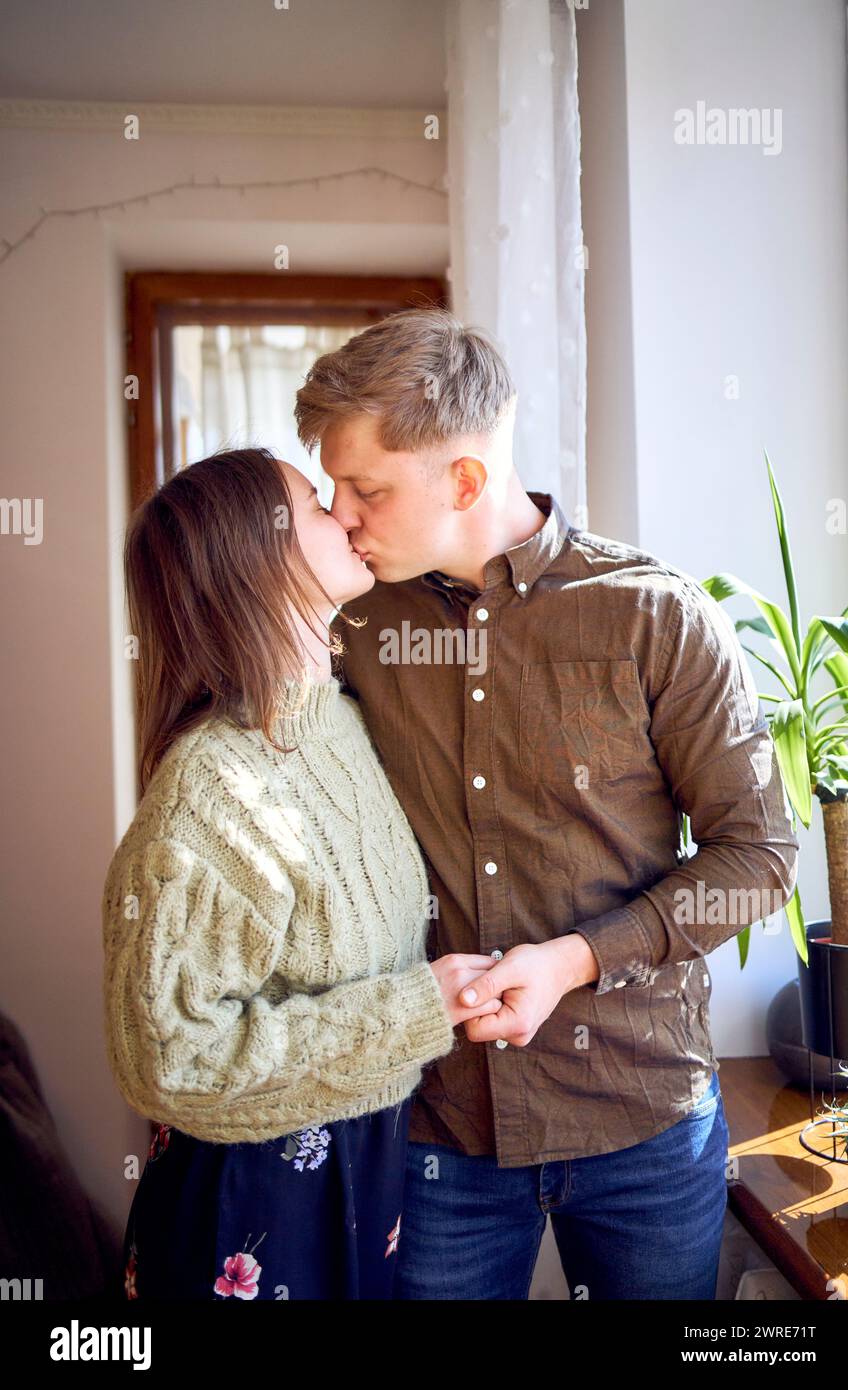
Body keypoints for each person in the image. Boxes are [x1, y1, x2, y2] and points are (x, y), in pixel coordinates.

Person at [293, 307, 800, 1300]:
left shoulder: (652, 615)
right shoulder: (345, 624)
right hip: (439, 1130)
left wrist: (572, 959)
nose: (342, 514)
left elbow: (761, 855)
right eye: (332, 488)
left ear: (465, 479)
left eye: (366, 488)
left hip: (643, 1120)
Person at [101, 446, 503, 1301]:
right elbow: (166, 1062)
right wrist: (420, 1008)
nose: (348, 516)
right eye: (320, 506)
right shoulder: (211, 789)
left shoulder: (343, 724)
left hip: (367, 1180)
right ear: (258, 557)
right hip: (254, 1211)